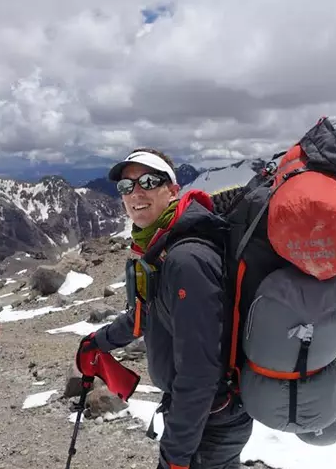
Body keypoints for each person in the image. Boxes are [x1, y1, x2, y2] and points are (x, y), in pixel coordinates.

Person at [77, 148, 253, 469]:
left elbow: (199, 372)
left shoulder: (186, 260)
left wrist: (174, 456)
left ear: (173, 190)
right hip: (208, 418)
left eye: (148, 181)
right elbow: (145, 313)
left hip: (210, 424)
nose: (135, 192)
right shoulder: (162, 249)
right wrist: (98, 342)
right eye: (126, 186)